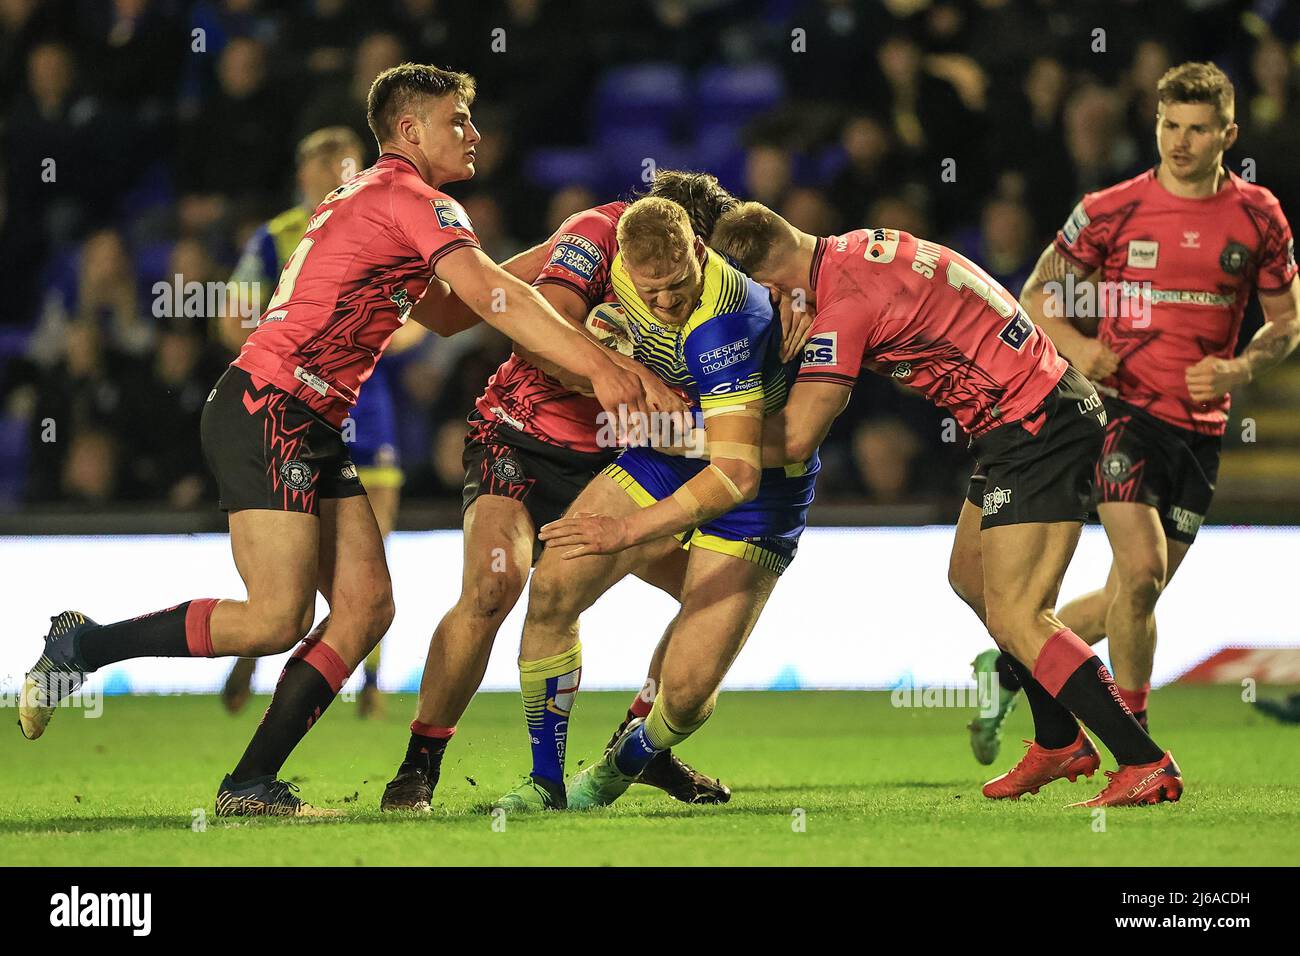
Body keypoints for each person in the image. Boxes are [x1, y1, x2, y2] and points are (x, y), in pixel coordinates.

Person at [18, 63, 648, 817]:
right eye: (459, 121)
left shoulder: (380, 199)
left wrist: (556, 249)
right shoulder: (413, 198)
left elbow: (448, 314)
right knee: (276, 618)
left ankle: (248, 784)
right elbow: (490, 298)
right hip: (271, 408)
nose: (474, 134)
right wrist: (601, 365)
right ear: (410, 130)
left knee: (365, 607)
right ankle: (81, 648)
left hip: (304, 418)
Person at [712, 202, 1182, 806]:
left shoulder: (842, 305)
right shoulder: (857, 246)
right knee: (972, 578)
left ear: (767, 283)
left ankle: (1144, 760)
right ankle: (1059, 740)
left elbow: (798, 437)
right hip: (1019, 415)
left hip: (1037, 423)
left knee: (1020, 616)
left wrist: (695, 433)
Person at [380, 171, 810, 811]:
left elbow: (801, 271)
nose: (670, 296)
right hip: (529, 439)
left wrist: (796, 299)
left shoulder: (730, 300)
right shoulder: (597, 233)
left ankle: (640, 745)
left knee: (704, 598)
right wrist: (621, 371)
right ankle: (423, 762)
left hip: (635, 451)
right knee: (497, 586)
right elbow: (540, 329)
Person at [968, 61, 1298, 758]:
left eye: (1198, 129)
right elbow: (1036, 296)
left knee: (1132, 595)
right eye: (1168, 125)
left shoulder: (1258, 213)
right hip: (1120, 413)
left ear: (1228, 133)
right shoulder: (1112, 207)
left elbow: (1287, 323)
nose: (1179, 141)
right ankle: (1137, 745)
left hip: (1199, 430)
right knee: (1143, 573)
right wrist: (1079, 349)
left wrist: (1241, 366)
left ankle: (1013, 664)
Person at [218, 125, 420, 719]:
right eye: (318, 166)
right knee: (301, 549)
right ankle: (262, 644)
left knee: (370, 552)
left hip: (369, 407)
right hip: (294, 404)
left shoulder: (385, 226)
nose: (330, 175)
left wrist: (373, 338)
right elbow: (232, 318)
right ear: (303, 174)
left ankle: (368, 680)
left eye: (340, 165)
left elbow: (416, 324)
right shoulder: (277, 236)